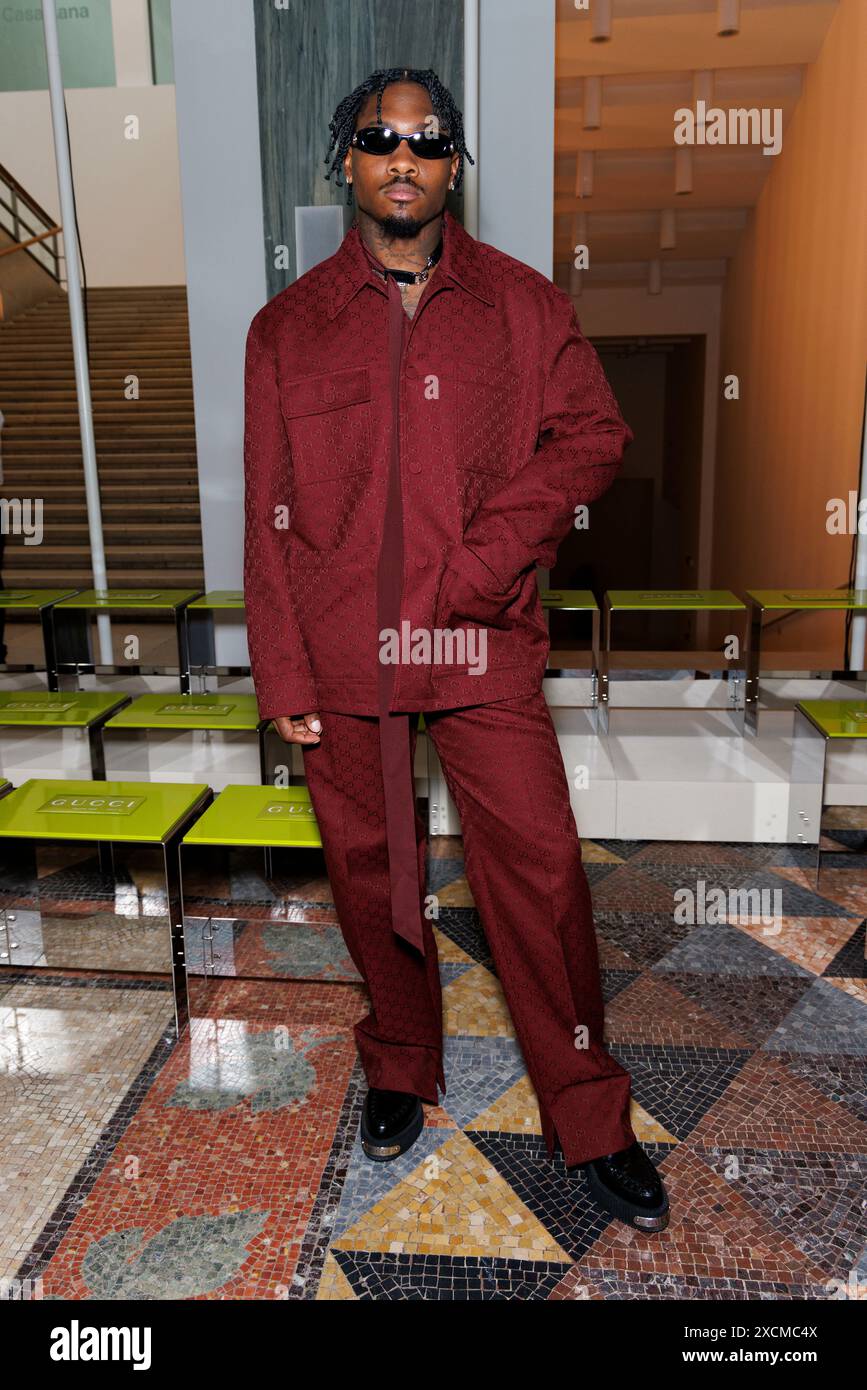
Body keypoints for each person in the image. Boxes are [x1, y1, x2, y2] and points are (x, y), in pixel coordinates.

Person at [243, 66, 669, 1232]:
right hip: (341, 656)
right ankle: (398, 1061)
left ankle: (587, 1108)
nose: (402, 156)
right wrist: (282, 672)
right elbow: (267, 511)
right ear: (347, 160)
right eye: (379, 137)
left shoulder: (523, 307)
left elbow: (594, 437)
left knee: (537, 871)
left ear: (452, 167)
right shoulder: (284, 330)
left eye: (427, 143)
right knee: (372, 877)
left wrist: (488, 560)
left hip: (481, 642)